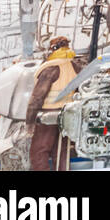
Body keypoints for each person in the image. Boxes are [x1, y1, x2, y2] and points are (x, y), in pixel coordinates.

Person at [26, 36, 83, 171]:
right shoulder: (75, 67)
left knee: (39, 151)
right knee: (62, 151)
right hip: (67, 115)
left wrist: (29, 122)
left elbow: (37, 98)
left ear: (53, 49)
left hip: (48, 117)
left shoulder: (51, 69)